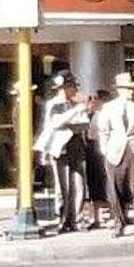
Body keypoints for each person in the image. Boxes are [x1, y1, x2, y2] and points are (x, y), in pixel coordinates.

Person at [98, 72, 134, 238]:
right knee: (115, 189)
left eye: (132, 88)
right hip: (115, 151)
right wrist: (105, 149)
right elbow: (104, 130)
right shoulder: (109, 107)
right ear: (120, 90)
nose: (131, 91)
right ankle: (118, 223)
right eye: (127, 89)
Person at [35, 71, 91, 233]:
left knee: (79, 183)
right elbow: (55, 123)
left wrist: (72, 118)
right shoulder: (54, 104)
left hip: (76, 145)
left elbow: (84, 123)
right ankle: (63, 218)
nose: (74, 90)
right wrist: (75, 113)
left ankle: (77, 219)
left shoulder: (73, 104)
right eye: (72, 86)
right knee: (63, 185)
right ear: (64, 88)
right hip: (60, 147)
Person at [83, 89, 112, 229]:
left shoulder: (107, 115)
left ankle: (109, 212)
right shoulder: (90, 115)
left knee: (104, 182)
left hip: (104, 149)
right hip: (92, 150)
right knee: (94, 183)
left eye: (96, 99)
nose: (93, 101)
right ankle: (96, 215)